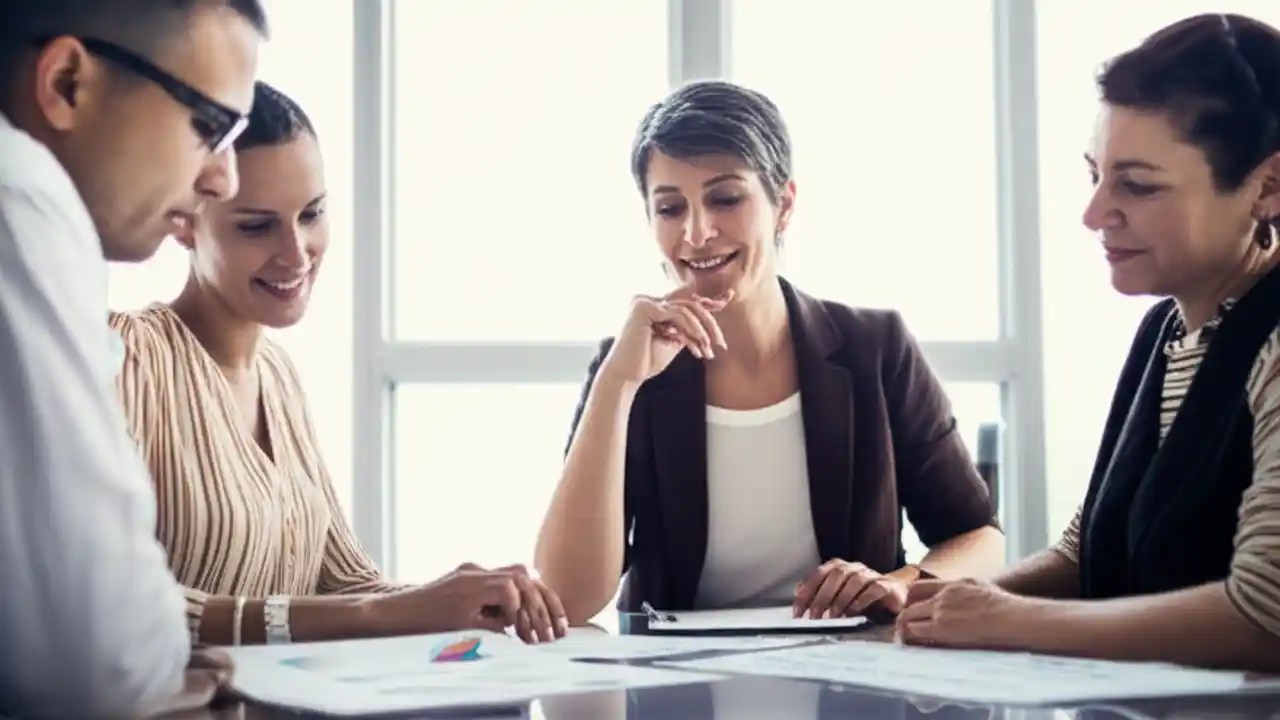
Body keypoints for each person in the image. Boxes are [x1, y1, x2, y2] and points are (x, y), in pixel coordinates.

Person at [111, 80, 568, 648]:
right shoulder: (127, 360)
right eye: (256, 225)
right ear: (184, 221)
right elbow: (121, 603)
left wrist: (466, 598)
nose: (296, 252)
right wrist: (385, 614)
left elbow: (345, 583)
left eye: (311, 214)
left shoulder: (278, 377)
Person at [535, 80, 1005, 626]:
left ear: (783, 204)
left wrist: (898, 586)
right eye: (669, 208)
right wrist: (616, 385)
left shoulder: (874, 348)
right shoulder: (629, 367)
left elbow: (978, 538)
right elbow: (566, 598)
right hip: (676, 688)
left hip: (850, 678)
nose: (697, 233)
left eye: (725, 199)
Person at [896, 13, 1280, 673]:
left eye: (1136, 185)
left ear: (1267, 187)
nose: (1094, 213)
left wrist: (1006, 620)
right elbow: (1087, 551)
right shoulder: (1163, 333)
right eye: (1094, 175)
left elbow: (1262, 616)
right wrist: (938, 602)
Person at [0, 0, 264, 716]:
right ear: (66, 84)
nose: (224, 179)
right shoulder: (19, 197)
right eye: (209, 126)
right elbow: (96, 656)